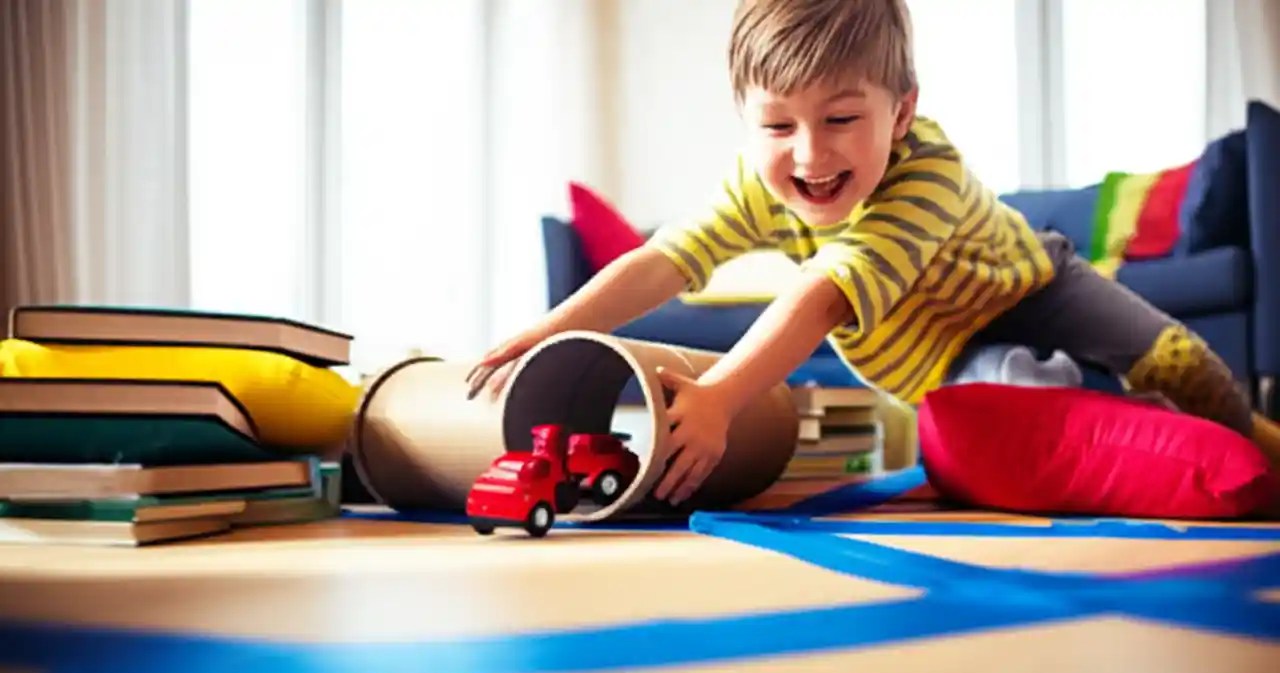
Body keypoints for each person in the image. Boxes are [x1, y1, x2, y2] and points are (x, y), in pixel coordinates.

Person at [469, 0, 1280, 506]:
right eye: (779, 125)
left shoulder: (924, 174)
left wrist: (719, 396)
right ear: (745, 117)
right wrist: (551, 328)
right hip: (943, 355)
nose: (811, 155)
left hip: (1029, 285)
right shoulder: (759, 185)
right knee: (1012, 407)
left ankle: (1254, 437)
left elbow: (821, 295)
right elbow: (667, 259)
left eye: (842, 119)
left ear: (901, 112)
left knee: (1181, 360)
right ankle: (1090, 399)